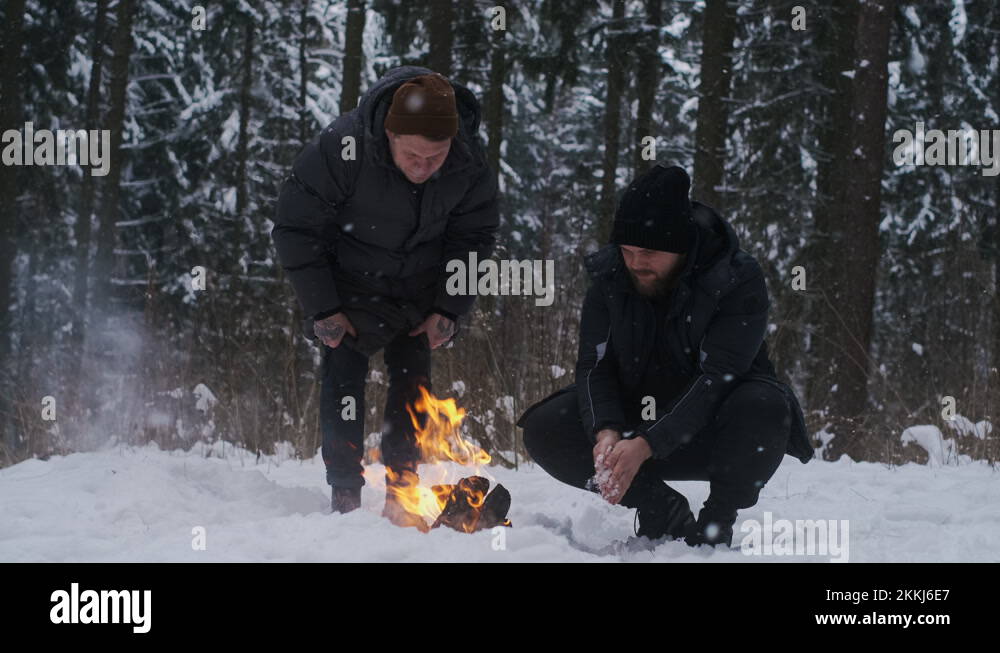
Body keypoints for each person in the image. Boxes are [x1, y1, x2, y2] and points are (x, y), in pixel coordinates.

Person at [517, 164, 813, 548]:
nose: (636, 263)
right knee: (545, 426)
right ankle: (658, 505)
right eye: (627, 251)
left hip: (715, 430)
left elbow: (719, 376)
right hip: (635, 419)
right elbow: (595, 365)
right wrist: (605, 430)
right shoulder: (610, 277)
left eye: (650, 252)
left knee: (765, 404)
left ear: (681, 246)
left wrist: (647, 444)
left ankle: (715, 523)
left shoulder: (736, 279)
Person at [272, 66, 499, 524]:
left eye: (434, 158)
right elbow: (297, 230)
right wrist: (326, 308)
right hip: (348, 284)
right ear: (389, 134)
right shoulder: (343, 147)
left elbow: (473, 239)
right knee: (343, 376)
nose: (422, 167)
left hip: (420, 286)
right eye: (413, 155)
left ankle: (403, 488)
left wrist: (447, 309)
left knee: (413, 383)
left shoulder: (470, 161)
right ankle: (345, 493)